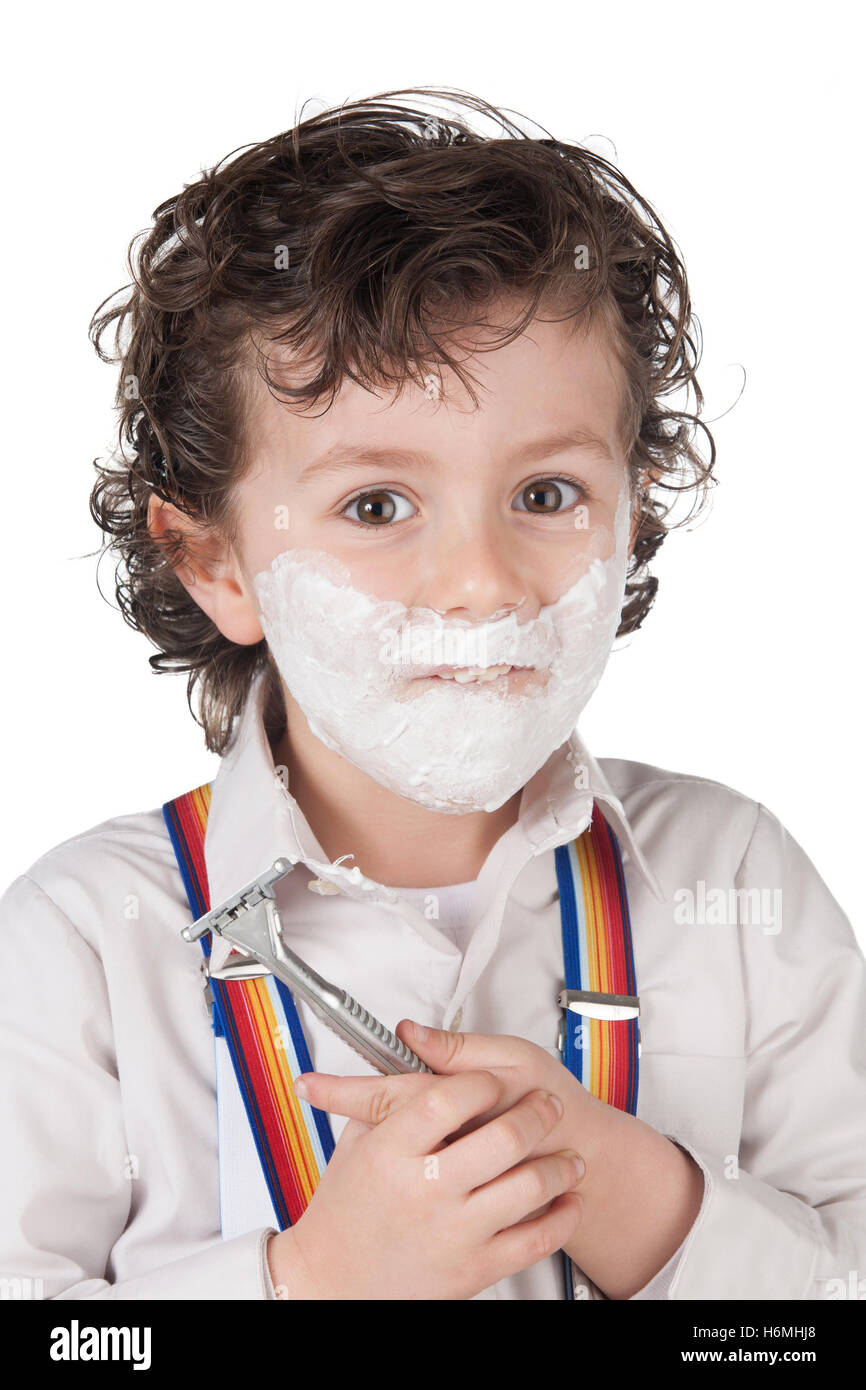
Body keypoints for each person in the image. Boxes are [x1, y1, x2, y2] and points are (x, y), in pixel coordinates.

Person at [1, 87, 863, 1302]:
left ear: (632, 510)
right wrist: (310, 1283)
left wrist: (642, 1201)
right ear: (215, 564)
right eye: (374, 506)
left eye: (548, 494)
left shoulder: (739, 880)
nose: (478, 582)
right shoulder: (79, 945)